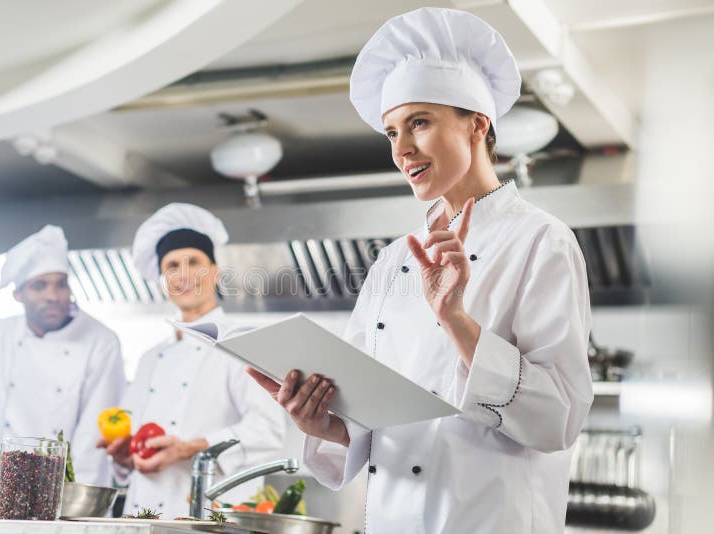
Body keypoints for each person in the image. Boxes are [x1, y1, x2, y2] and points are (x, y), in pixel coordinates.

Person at [247, 7, 594, 533]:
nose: (402, 149)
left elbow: (560, 419)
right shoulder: (395, 260)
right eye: (391, 132)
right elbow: (371, 419)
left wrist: (456, 320)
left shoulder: (541, 241)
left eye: (420, 123)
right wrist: (324, 422)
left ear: (478, 125)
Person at [101, 203, 285, 519]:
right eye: (172, 266)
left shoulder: (244, 344)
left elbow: (268, 432)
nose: (183, 274)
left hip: (210, 517)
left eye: (194, 262)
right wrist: (123, 455)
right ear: (162, 279)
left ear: (214, 272)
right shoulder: (149, 359)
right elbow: (133, 453)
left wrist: (190, 448)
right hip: (143, 518)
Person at [0, 225, 126, 485]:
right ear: (18, 295)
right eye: (40, 286)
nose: (53, 295)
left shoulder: (101, 341)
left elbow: (91, 442)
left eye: (61, 284)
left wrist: (77, 507)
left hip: (58, 490)